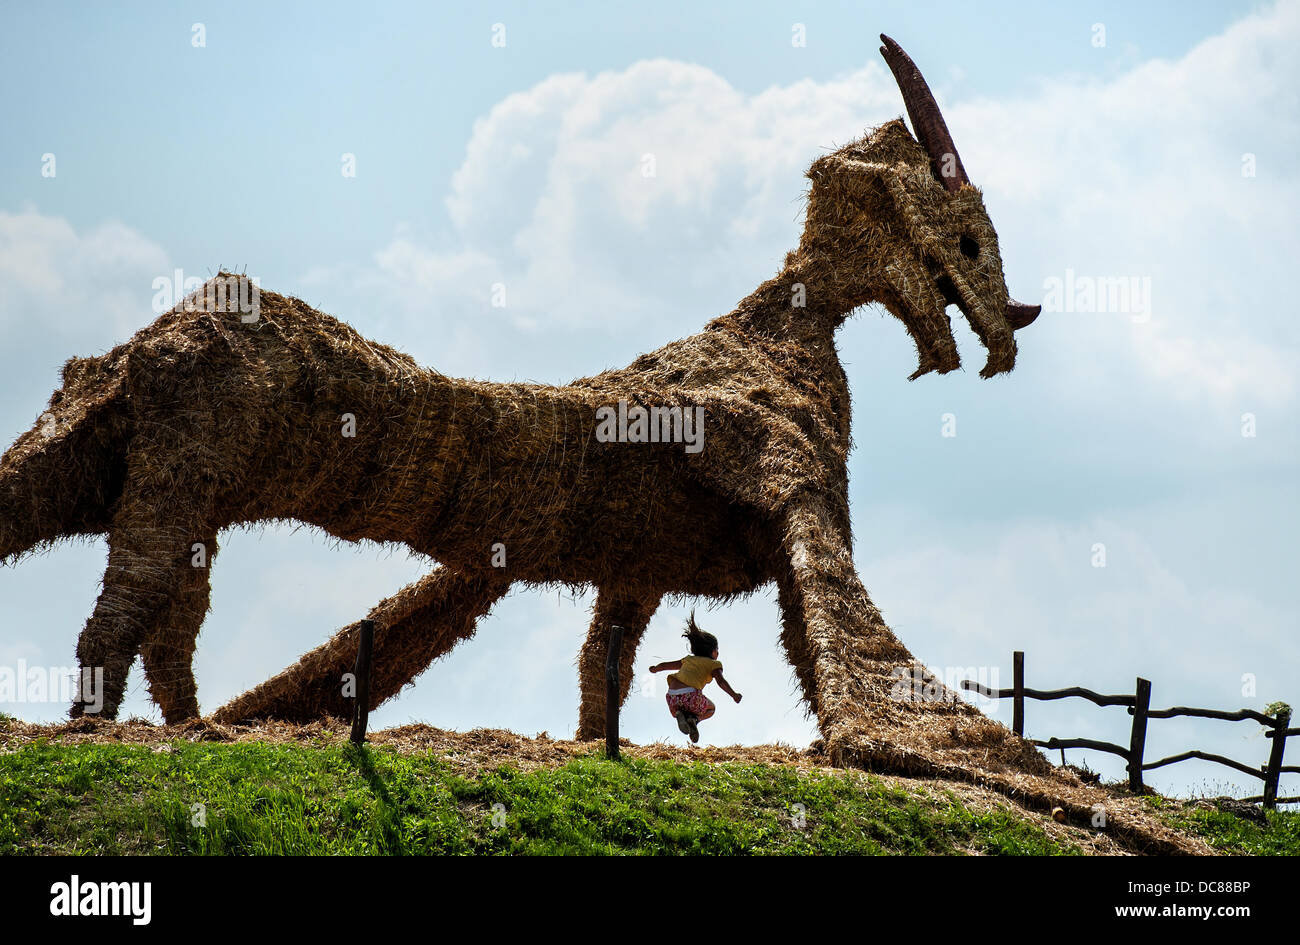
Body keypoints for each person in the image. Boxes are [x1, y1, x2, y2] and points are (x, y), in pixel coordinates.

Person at [648, 611, 742, 743]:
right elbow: (720, 681)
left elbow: (666, 665)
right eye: (717, 649)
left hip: (672, 698)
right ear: (712, 651)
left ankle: (683, 716)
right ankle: (694, 720)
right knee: (711, 708)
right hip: (691, 698)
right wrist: (733, 694)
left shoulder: (688, 660)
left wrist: (655, 668)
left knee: (682, 708)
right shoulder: (714, 664)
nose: (718, 652)